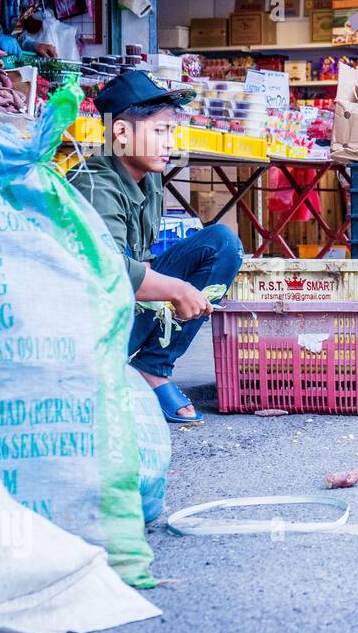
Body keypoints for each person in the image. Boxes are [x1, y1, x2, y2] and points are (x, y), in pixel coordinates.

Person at [68, 71, 243, 423]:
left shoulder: (149, 180)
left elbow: (141, 260)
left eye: (171, 132)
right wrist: (176, 288)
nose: (170, 143)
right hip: (81, 329)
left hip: (118, 310)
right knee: (165, 281)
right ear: (120, 133)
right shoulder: (95, 185)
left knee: (221, 244)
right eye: (160, 131)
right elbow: (110, 271)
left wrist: (167, 285)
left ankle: (152, 369)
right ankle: (114, 374)